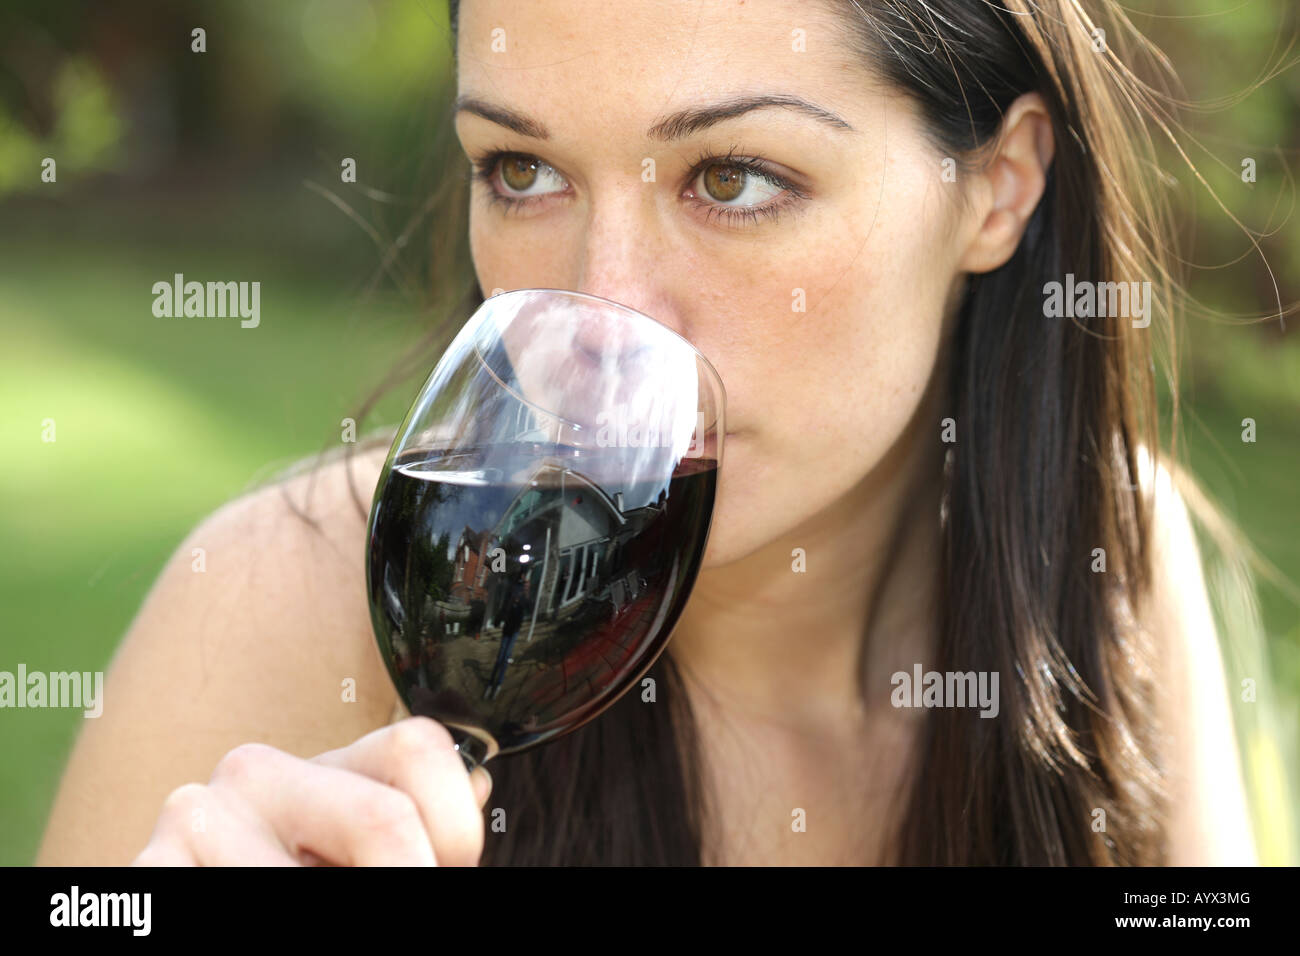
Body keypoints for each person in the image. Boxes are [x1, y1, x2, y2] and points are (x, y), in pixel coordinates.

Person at [37, 0, 1262, 866]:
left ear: (997, 186)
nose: (597, 313)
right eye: (522, 170)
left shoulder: (1101, 559)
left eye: (730, 179)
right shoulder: (286, 617)